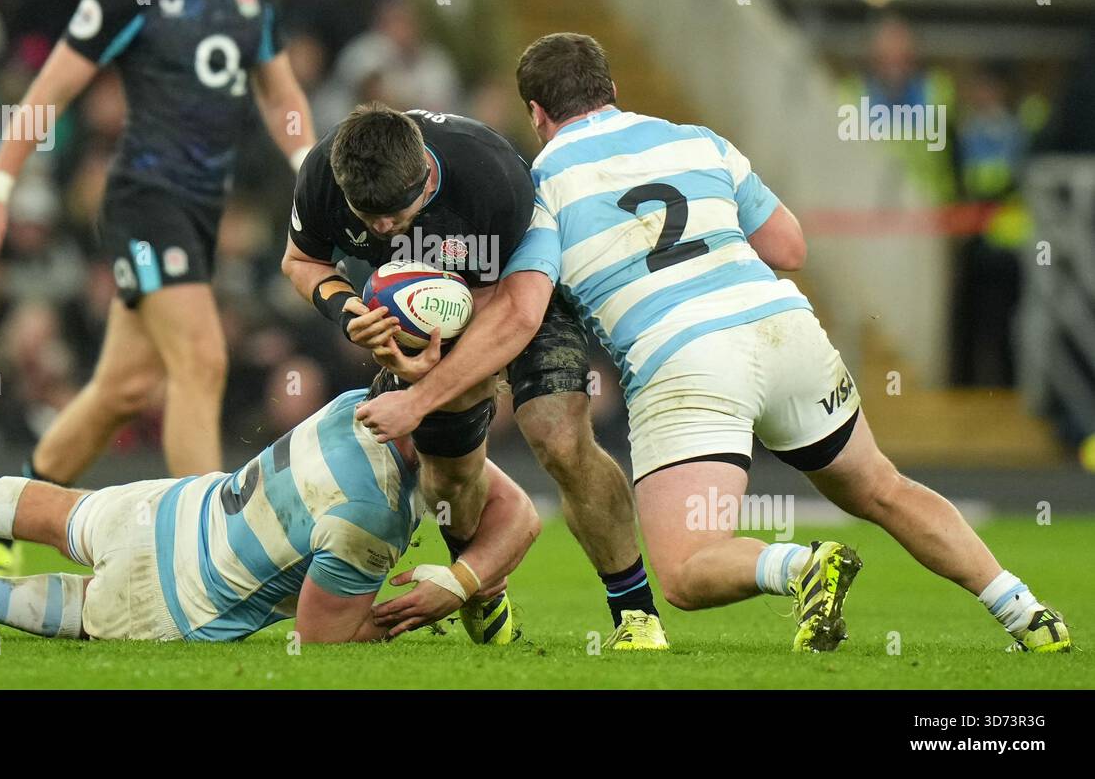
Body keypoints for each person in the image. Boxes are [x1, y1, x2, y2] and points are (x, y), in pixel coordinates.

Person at [357, 32, 1072, 655]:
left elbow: (526, 306)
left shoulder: (541, 183)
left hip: (686, 362)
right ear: (614, 89)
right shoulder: (697, 140)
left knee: (686, 572)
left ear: (536, 115)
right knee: (883, 488)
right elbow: (788, 246)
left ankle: (798, 567)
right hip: (785, 330)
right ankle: (1024, 609)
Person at [0, 0, 317, 574]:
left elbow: (280, 93)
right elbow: (49, 91)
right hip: (145, 203)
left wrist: (309, 165)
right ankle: (205, 552)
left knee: (121, 390)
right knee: (202, 360)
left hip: (200, 213)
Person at [281, 101, 666, 649]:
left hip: (518, 291)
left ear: (426, 177)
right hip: (433, 307)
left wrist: (419, 397)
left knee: (560, 439)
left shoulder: (488, 176)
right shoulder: (323, 174)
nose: (385, 227)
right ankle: (481, 591)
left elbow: (509, 315)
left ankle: (636, 613)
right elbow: (301, 262)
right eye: (370, 219)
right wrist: (351, 316)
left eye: (396, 212)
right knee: (449, 476)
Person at [0, 375, 540, 644]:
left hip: (171, 509)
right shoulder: (373, 515)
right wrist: (411, 615)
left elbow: (518, 514)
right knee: (73, 610)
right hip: (177, 601)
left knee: (51, 509)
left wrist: (465, 578)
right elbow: (326, 638)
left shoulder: (358, 406)